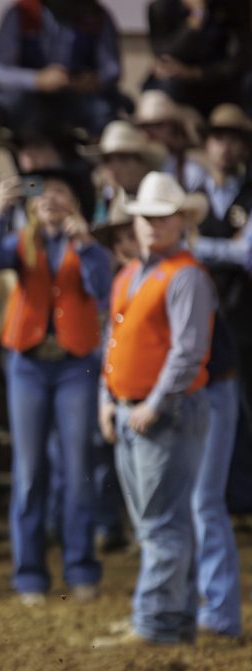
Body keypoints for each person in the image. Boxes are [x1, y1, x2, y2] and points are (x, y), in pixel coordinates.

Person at [95, 173, 216, 647]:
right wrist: (108, 399)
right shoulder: (131, 274)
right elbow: (114, 339)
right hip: (134, 409)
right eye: (145, 216)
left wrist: (153, 403)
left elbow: (188, 352)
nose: (151, 224)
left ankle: (153, 621)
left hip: (164, 413)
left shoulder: (186, 275)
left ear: (181, 221)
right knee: (159, 521)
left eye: (161, 217)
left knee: (161, 522)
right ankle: (171, 619)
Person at [0, 166, 110, 605]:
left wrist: (85, 241)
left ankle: (81, 568)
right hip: (28, 365)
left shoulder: (87, 245)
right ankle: (30, 575)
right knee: (30, 472)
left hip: (76, 365)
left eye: (60, 192)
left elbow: (102, 287)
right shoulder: (22, 242)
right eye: (42, 192)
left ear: (75, 202)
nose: (50, 200)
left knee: (77, 470)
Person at [186, 103, 249, 640]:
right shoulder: (195, 194)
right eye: (217, 136)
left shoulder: (243, 195)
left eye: (233, 137)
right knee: (197, 493)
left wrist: (198, 247)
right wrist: (225, 250)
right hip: (209, 346)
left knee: (202, 494)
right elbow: (240, 254)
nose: (225, 145)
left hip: (236, 334)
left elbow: (249, 256)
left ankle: (217, 609)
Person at [0, 0, 127, 140]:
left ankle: (97, 150)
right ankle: (26, 149)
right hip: (32, 96)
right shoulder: (21, 13)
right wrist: (37, 80)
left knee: (104, 110)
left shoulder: (95, 14)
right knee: (11, 105)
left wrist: (93, 80)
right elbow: (0, 72)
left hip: (78, 96)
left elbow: (112, 70)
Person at [143, 0, 252, 118]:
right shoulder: (160, 8)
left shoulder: (233, 6)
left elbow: (242, 59)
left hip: (218, 78)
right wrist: (196, 18)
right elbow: (166, 56)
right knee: (160, 89)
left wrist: (197, 73)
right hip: (179, 80)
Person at [93, 120, 162, 221]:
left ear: (143, 162)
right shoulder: (106, 200)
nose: (114, 167)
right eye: (107, 159)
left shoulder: (161, 195)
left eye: (123, 158)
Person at [134, 90, 206, 184]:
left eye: (158, 125)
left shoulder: (192, 169)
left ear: (173, 126)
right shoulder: (134, 164)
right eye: (145, 126)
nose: (150, 132)